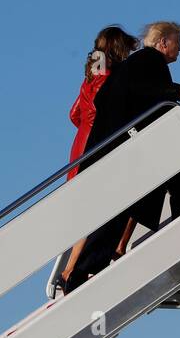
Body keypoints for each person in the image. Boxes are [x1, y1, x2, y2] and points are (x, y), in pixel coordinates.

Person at [68, 21, 180, 288]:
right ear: (164, 43)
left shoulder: (102, 72)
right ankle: (79, 271)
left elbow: (76, 112)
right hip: (117, 143)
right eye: (178, 42)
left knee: (115, 207)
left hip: (91, 143)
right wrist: (175, 91)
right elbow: (145, 91)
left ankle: (78, 271)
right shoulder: (148, 61)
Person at [56, 26, 137, 294]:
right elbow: (105, 107)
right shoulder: (109, 75)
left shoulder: (92, 72)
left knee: (85, 209)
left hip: (80, 144)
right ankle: (73, 268)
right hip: (98, 142)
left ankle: (70, 267)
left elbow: (74, 114)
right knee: (98, 207)